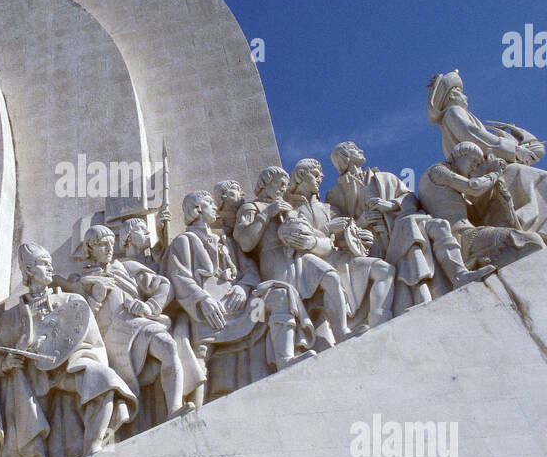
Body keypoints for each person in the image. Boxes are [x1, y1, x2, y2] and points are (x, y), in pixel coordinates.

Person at [0, 242, 135, 457]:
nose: (51, 268)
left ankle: (94, 444)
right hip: (33, 383)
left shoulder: (69, 300)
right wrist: (5, 364)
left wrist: (79, 358)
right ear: (28, 270)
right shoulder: (12, 316)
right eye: (43, 264)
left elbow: (90, 338)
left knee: (104, 379)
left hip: (68, 369)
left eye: (50, 262)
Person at [166, 190, 314, 398]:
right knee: (200, 348)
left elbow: (250, 271)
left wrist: (243, 288)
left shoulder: (226, 241)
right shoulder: (184, 241)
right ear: (198, 209)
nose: (215, 208)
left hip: (243, 310)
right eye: (210, 203)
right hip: (210, 315)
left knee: (280, 294)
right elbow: (179, 276)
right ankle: (191, 407)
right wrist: (202, 300)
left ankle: (285, 359)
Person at [325, 142, 493, 313]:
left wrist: (390, 205)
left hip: (400, 226)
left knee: (438, 225)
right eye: (354, 148)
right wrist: (361, 221)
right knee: (411, 229)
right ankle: (422, 296)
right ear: (344, 157)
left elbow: (409, 199)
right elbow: (337, 234)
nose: (360, 150)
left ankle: (459, 273)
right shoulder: (335, 194)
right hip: (377, 248)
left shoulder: (385, 177)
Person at [426, 70, 547, 244]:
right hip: (485, 171)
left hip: (491, 169)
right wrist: (515, 150)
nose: (465, 96)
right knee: (544, 178)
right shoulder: (453, 112)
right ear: (452, 94)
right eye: (460, 91)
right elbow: (476, 136)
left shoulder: (456, 115)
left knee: (546, 179)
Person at [72, 225, 196, 432]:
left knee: (168, 345)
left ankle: (174, 408)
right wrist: (95, 298)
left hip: (137, 324)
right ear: (90, 248)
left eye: (111, 244)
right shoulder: (78, 282)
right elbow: (80, 324)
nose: (109, 249)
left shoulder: (125, 267)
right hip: (110, 339)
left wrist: (149, 306)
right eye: (103, 245)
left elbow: (164, 286)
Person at [233, 166, 353, 345]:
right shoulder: (251, 208)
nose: (283, 188)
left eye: (285, 185)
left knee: (331, 277)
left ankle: (341, 331)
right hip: (274, 259)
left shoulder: (290, 209)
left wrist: (312, 237)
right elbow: (245, 243)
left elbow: (312, 234)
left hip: (300, 255)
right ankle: (290, 350)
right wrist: (266, 214)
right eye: (280, 184)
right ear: (266, 183)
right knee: (288, 301)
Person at [285, 159, 396, 336]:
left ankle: (379, 319)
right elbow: (299, 240)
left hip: (339, 259)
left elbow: (344, 239)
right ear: (300, 176)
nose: (320, 179)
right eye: (315, 175)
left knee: (384, 270)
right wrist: (328, 229)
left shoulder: (329, 208)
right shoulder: (291, 211)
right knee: (332, 279)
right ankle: (341, 332)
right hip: (311, 266)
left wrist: (360, 233)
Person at [418, 142, 546, 270]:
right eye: (473, 161)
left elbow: (476, 212)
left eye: (477, 165)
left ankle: (484, 262)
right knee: (531, 241)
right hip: (464, 237)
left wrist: (503, 199)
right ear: (460, 155)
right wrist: (495, 173)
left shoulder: (451, 192)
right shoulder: (438, 171)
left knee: (530, 243)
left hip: (467, 235)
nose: (473, 168)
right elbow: (473, 187)